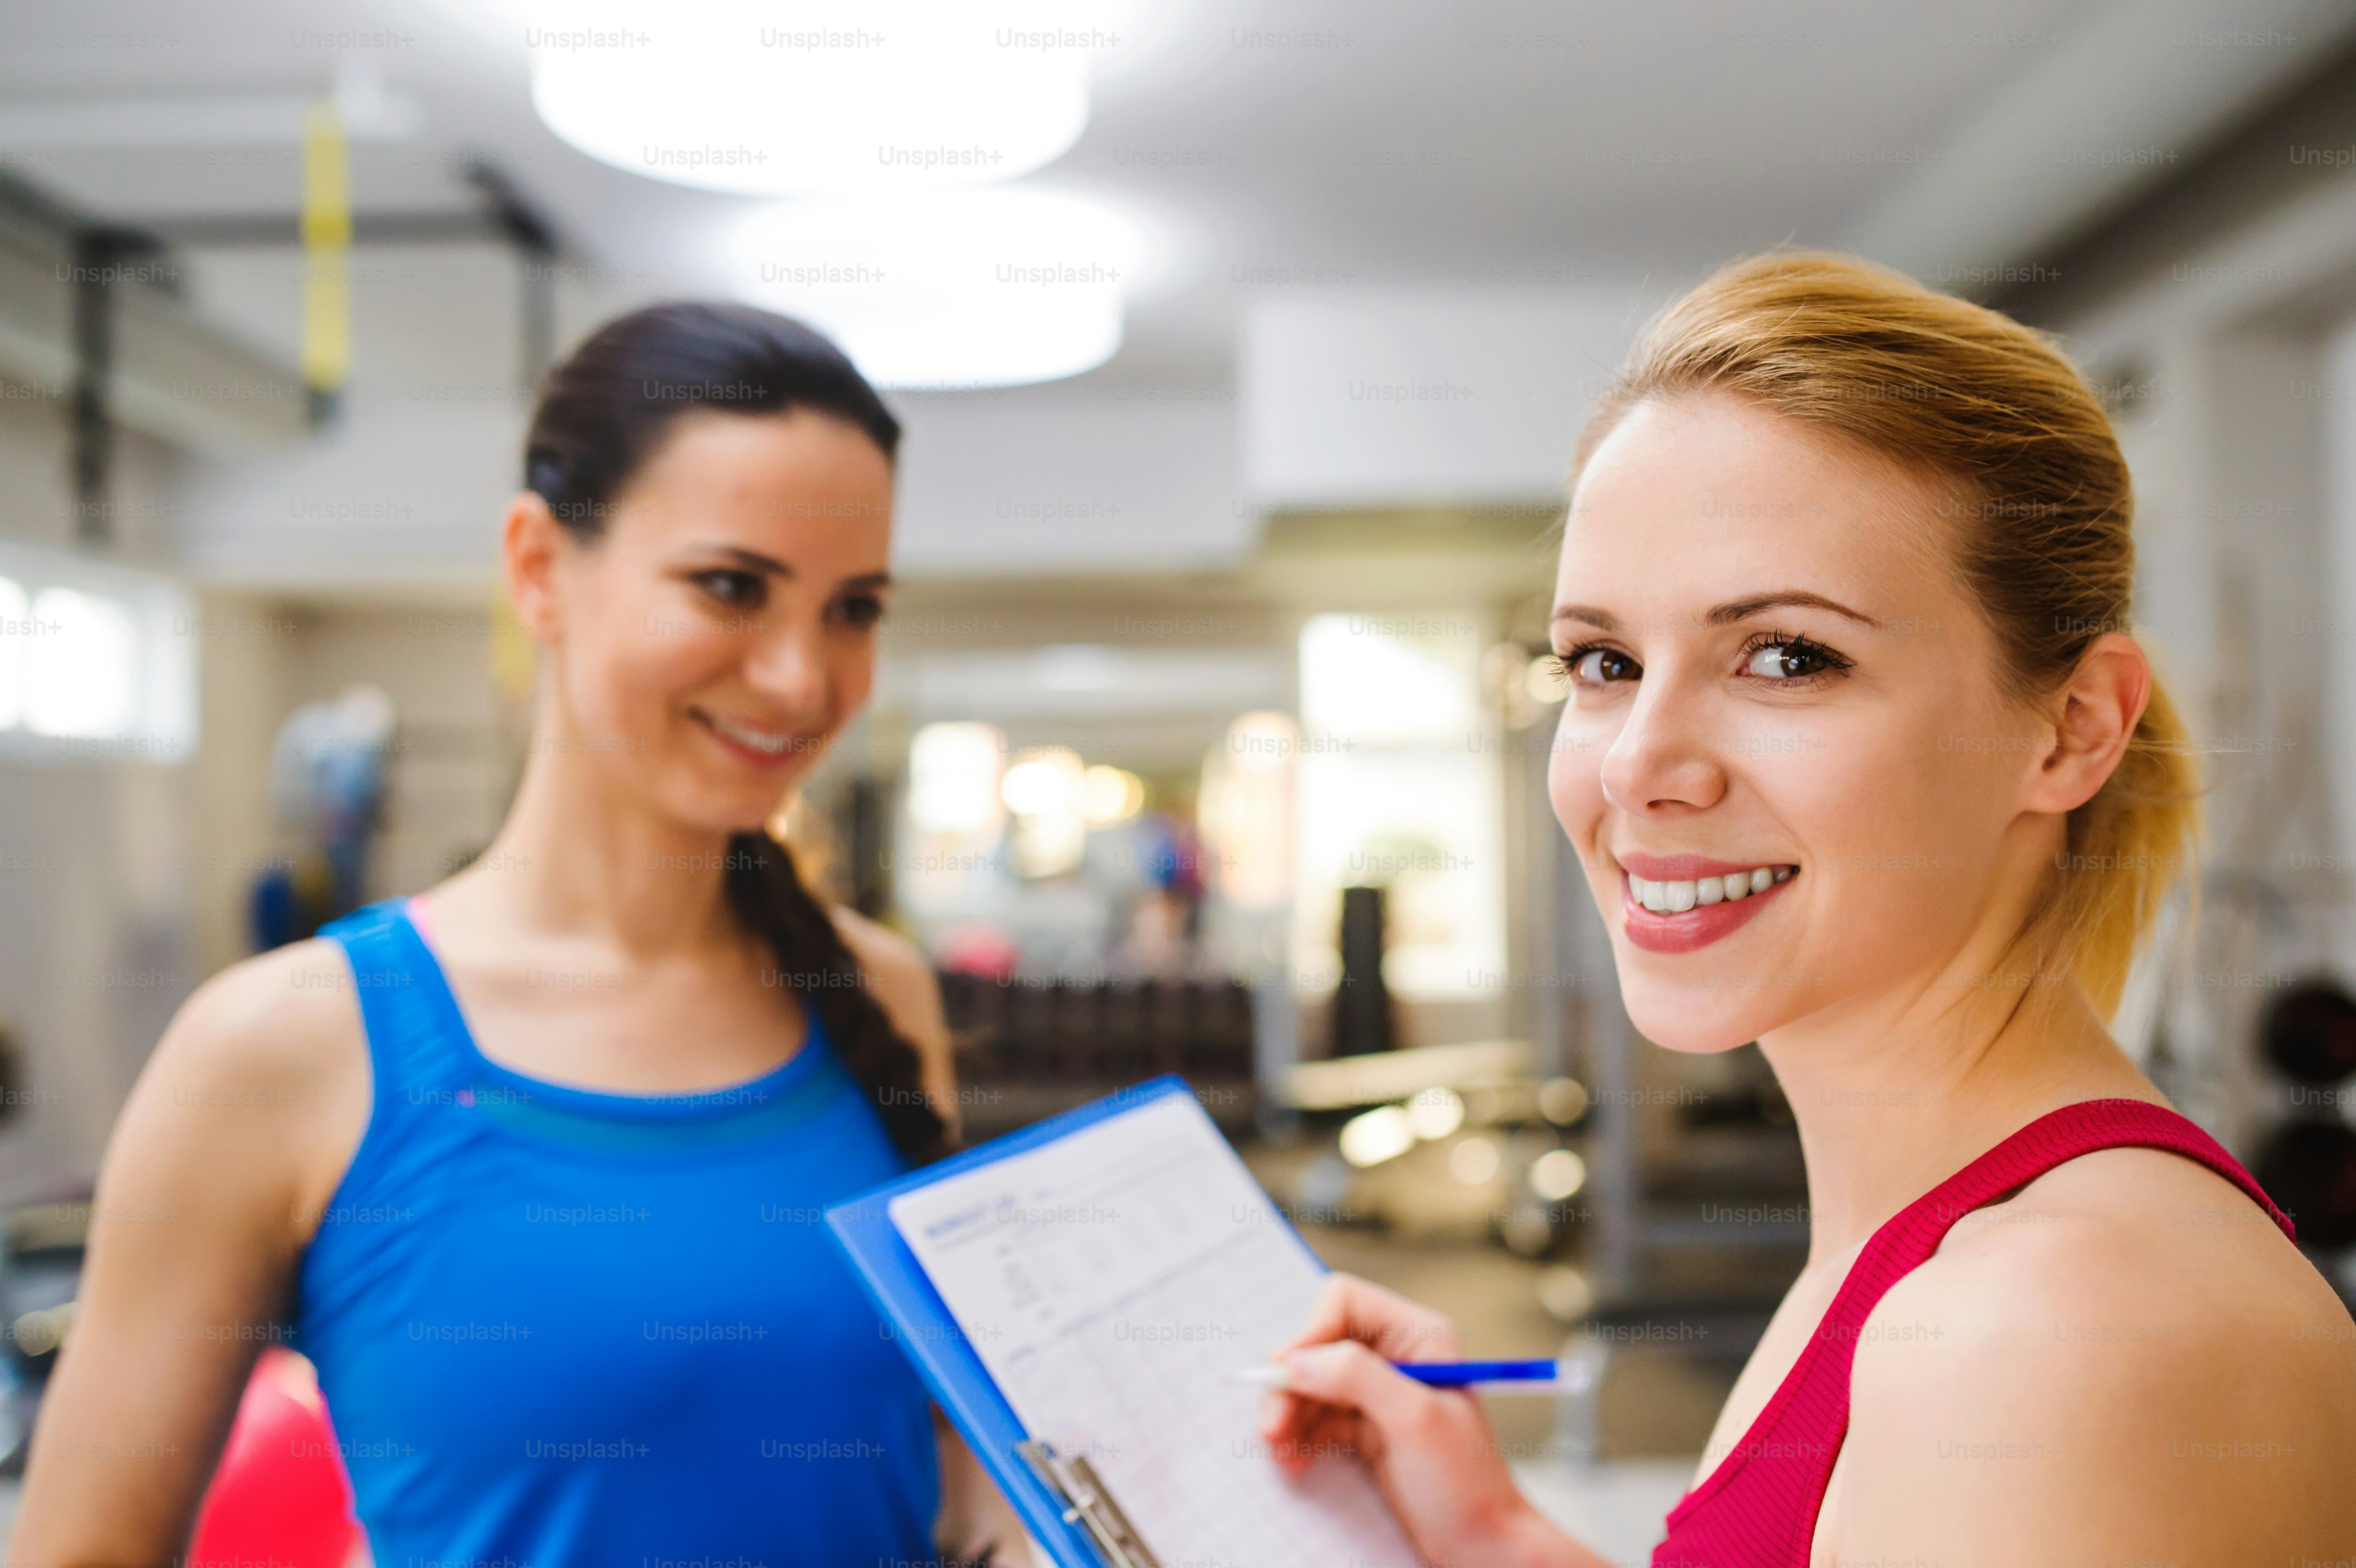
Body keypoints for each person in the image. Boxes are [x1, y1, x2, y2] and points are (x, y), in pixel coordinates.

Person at [1257, 252, 2356, 1566]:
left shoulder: (2047, 1330)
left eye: (1787, 658)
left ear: (2071, 730)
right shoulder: (1939, 1249)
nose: (1637, 766)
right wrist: (1489, 1532)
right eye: (1604, 662)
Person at [15, 304, 1034, 1566]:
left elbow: (935, 1485)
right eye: (732, 586)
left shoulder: (873, 990)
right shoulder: (281, 1050)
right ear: (539, 567)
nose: (802, 679)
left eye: (855, 608)